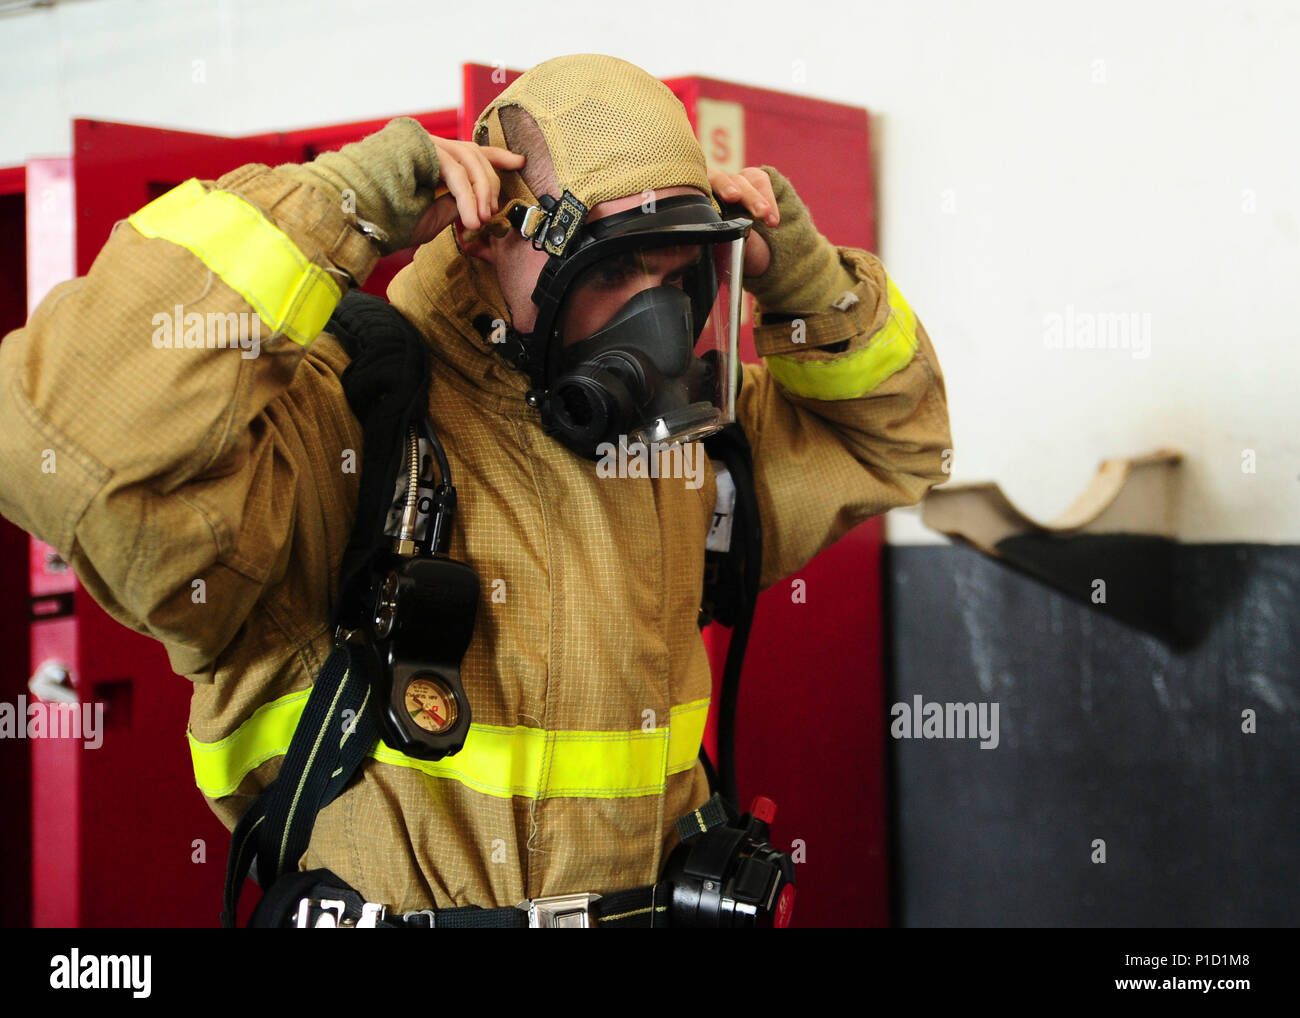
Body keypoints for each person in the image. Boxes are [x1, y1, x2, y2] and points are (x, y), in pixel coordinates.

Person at [0, 53, 952, 920]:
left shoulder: (673, 449)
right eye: (617, 269)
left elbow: (900, 442)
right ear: (483, 236)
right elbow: (69, 443)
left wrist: (809, 282)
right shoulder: (329, 429)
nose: (656, 321)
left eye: (681, 271)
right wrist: (335, 204)